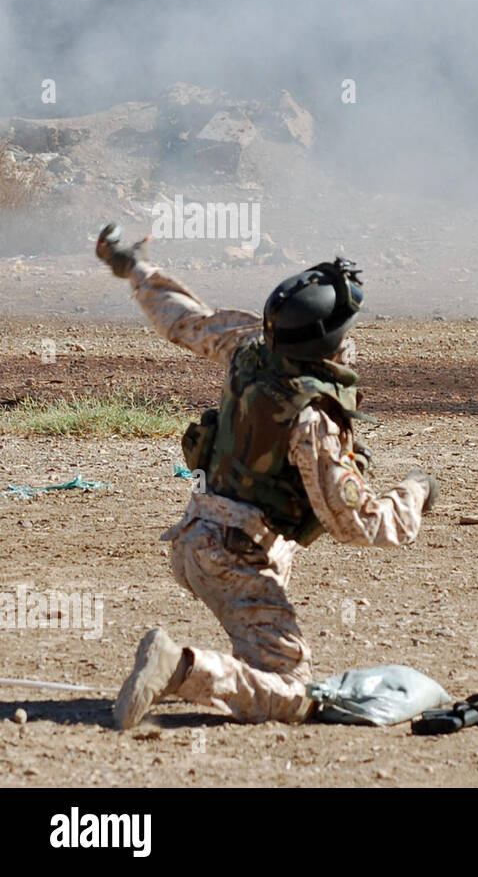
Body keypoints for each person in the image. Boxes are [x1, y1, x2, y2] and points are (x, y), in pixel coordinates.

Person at [94, 224, 436, 727]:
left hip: (200, 534)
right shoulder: (311, 419)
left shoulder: (250, 345)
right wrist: (416, 493)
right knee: (291, 689)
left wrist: (135, 268)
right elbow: (355, 524)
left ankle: (234, 652)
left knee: (283, 545)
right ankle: (183, 667)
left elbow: (185, 319)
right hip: (234, 558)